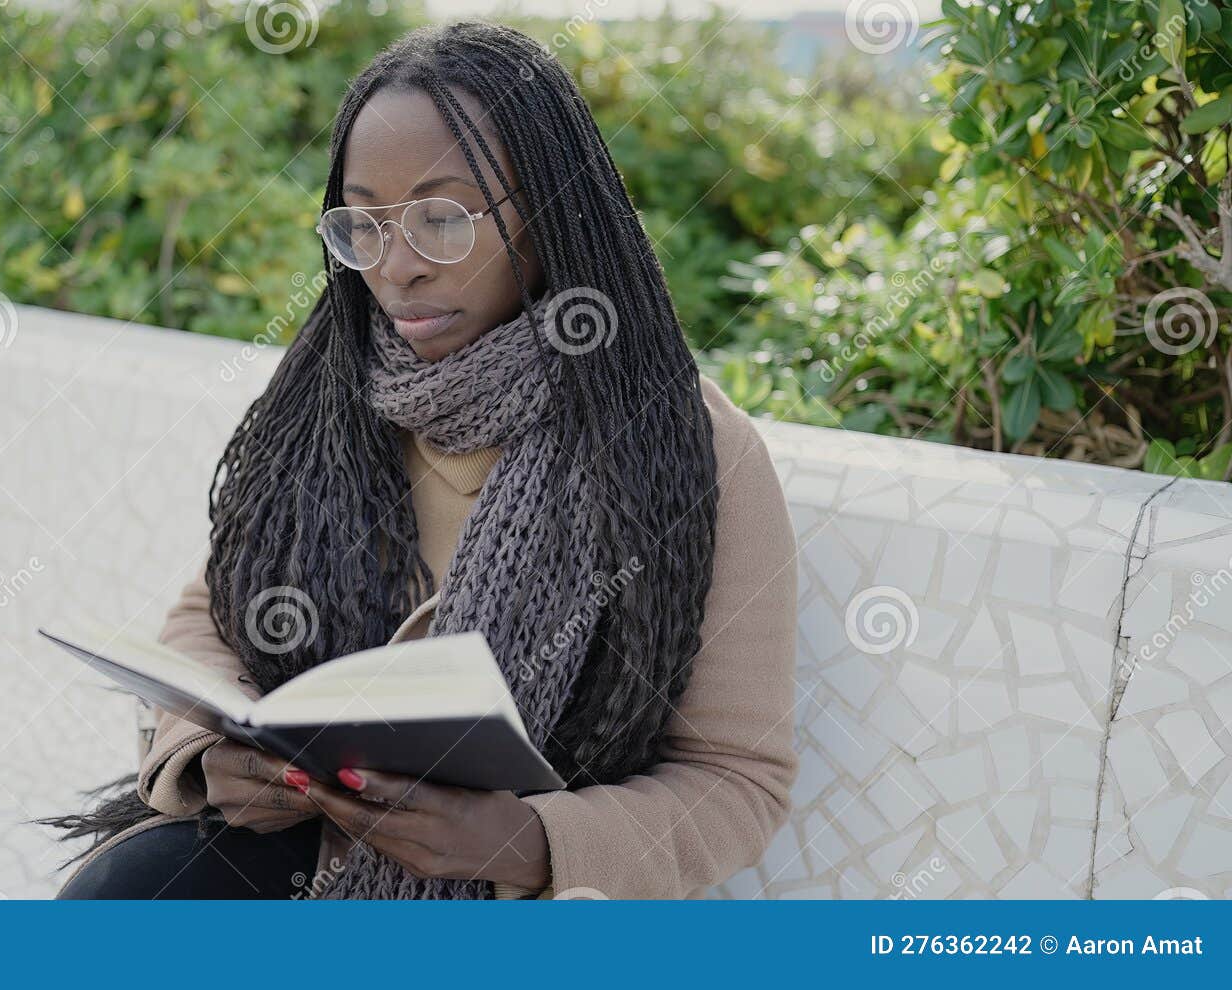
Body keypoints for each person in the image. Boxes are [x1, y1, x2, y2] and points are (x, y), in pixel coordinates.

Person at [41, 18, 798, 900]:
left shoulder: (693, 451)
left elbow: (737, 777)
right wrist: (212, 757)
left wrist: (529, 842)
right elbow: (208, 617)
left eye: (442, 218)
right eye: (363, 226)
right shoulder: (324, 398)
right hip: (301, 847)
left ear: (551, 213)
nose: (396, 268)